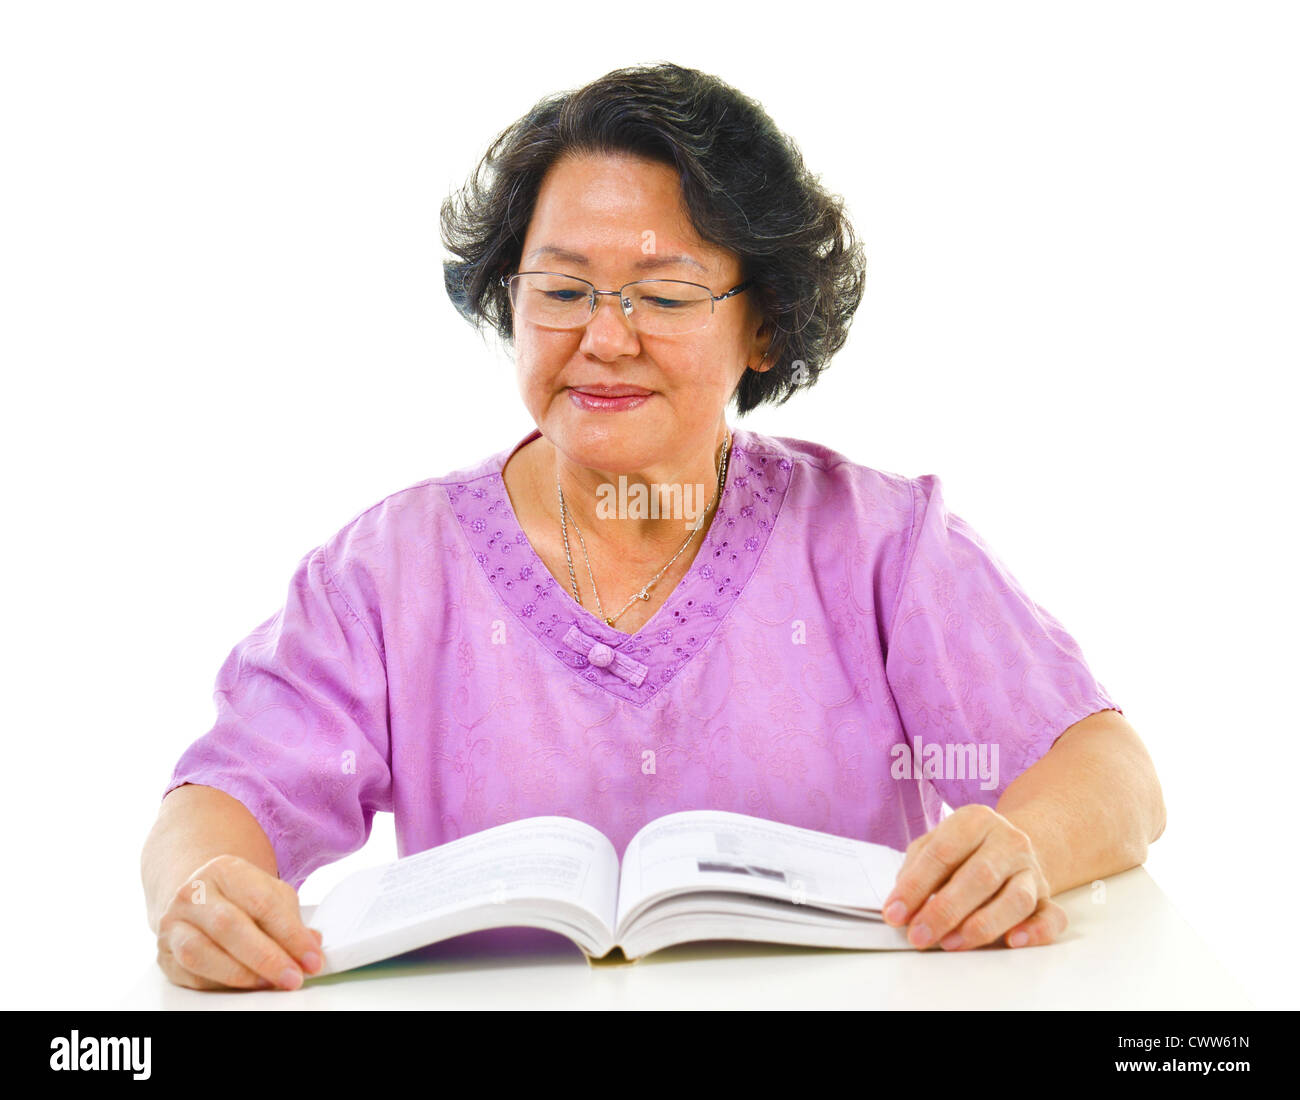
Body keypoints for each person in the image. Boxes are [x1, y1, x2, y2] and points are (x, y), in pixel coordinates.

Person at [141, 62, 1165, 992]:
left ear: (762, 322)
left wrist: (1020, 845)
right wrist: (204, 890)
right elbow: (219, 801)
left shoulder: (882, 544)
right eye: (562, 289)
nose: (604, 337)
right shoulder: (390, 572)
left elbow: (1111, 774)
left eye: (663, 293)